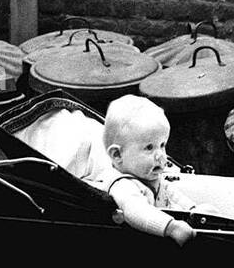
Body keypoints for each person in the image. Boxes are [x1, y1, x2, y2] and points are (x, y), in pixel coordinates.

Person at [84, 95, 198, 246]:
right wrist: (170, 227)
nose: (160, 155)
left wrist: (193, 209)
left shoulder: (147, 175)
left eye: (162, 145)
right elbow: (136, 211)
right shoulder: (122, 185)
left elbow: (170, 192)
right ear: (117, 155)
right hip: (147, 239)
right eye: (149, 147)